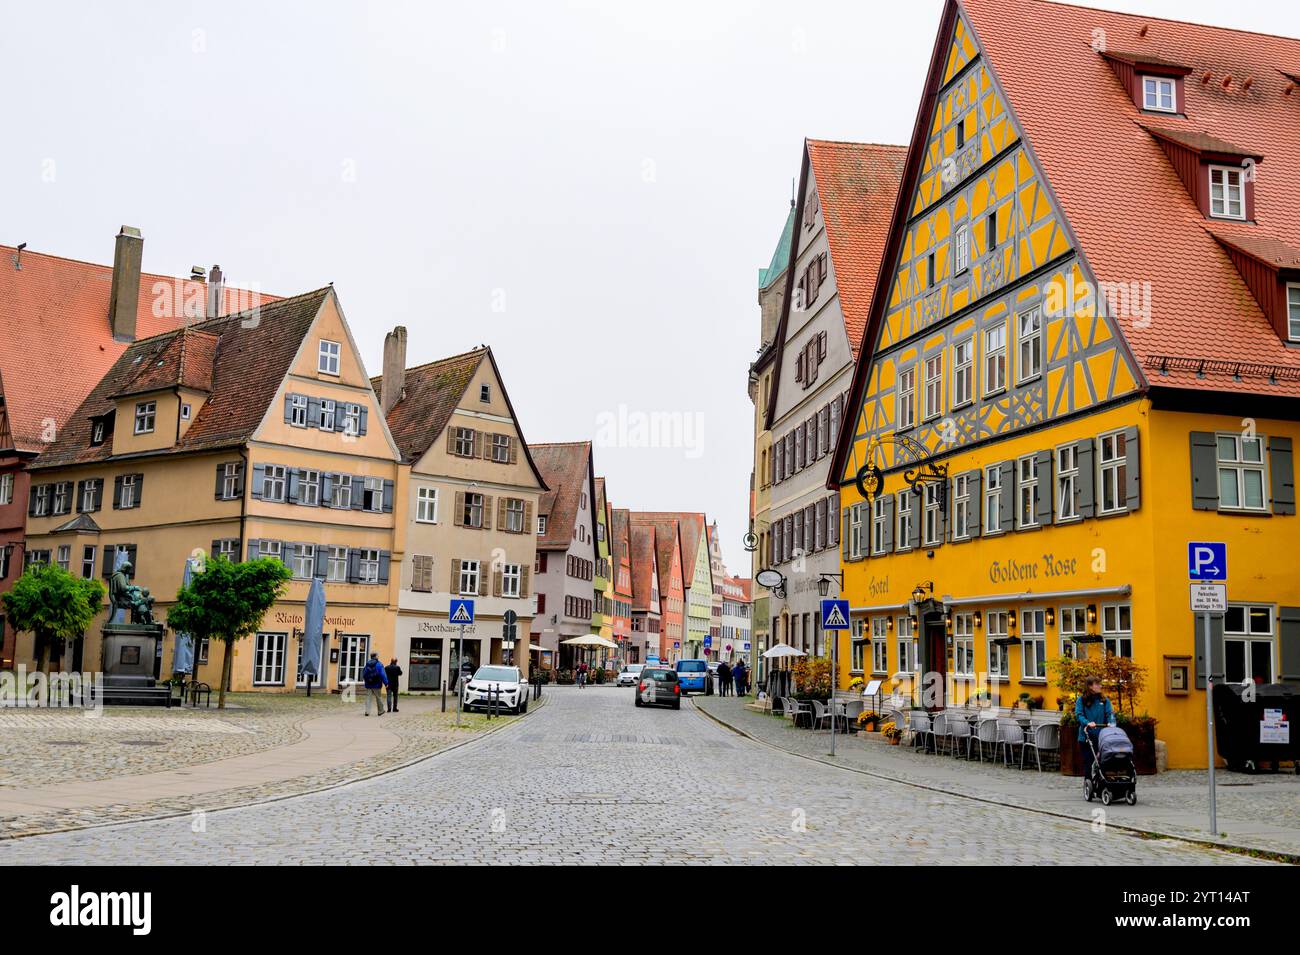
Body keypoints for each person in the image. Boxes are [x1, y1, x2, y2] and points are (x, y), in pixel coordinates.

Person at [1075, 677, 1115, 782]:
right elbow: (1079, 715)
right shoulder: (1081, 700)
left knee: (1104, 760)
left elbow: (1109, 713)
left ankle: (1102, 781)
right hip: (1086, 736)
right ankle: (1089, 782)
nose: (1100, 686)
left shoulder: (1104, 700)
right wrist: (1087, 722)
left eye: (1099, 684)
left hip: (1102, 737)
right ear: (1090, 686)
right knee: (1089, 761)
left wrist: (1111, 722)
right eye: (1097, 684)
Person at [362, 652, 388, 716]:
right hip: (377, 684)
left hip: (368, 684)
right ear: (376, 657)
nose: (378, 656)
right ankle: (380, 711)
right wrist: (386, 683)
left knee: (368, 698)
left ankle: (367, 712)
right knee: (378, 697)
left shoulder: (367, 664)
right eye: (378, 655)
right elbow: (382, 674)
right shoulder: (379, 664)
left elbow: (364, 673)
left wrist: (367, 680)